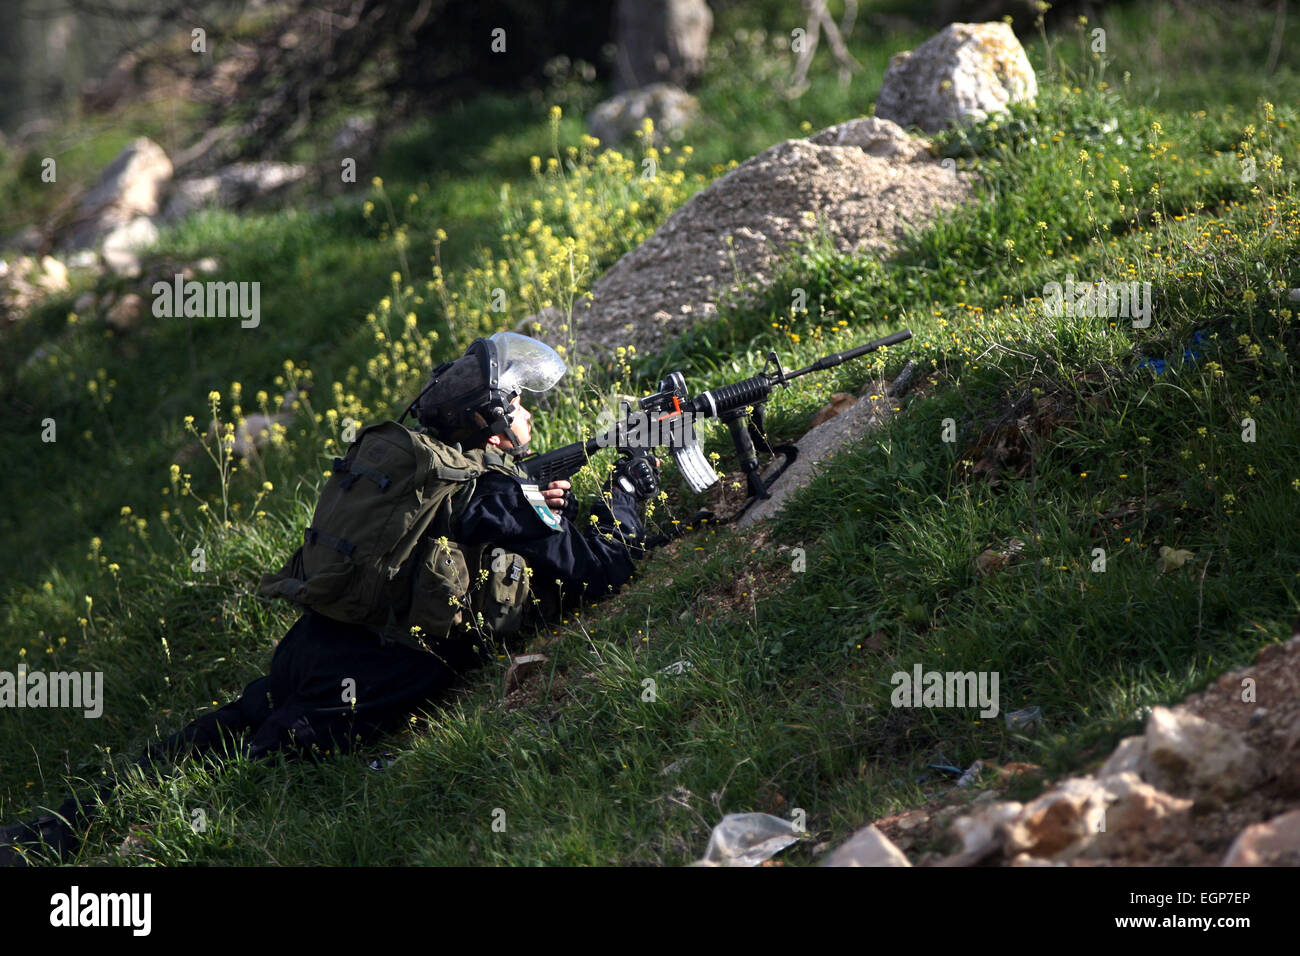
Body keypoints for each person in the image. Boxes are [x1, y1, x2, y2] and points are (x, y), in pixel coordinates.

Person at [0, 332, 660, 866]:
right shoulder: (492, 491)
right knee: (234, 780)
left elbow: (472, 537)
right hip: (372, 675)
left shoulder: (423, 465)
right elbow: (595, 573)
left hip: (312, 645)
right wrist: (627, 500)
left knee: (204, 739)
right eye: (519, 404)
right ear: (492, 425)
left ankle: (43, 830)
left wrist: (541, 512)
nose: (529, 414)